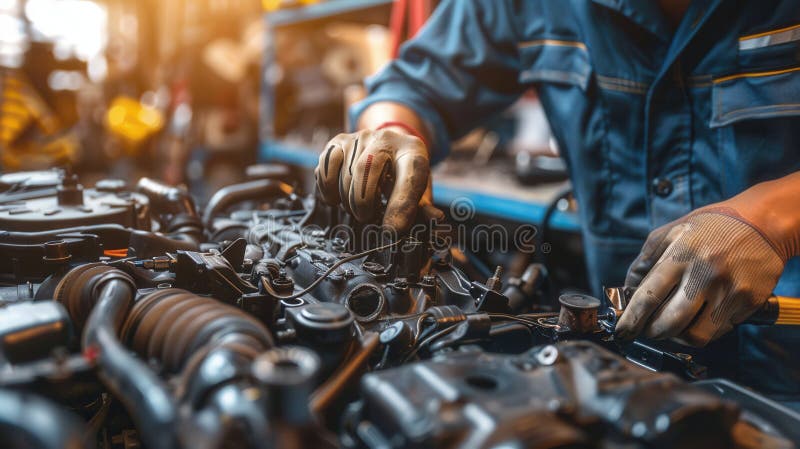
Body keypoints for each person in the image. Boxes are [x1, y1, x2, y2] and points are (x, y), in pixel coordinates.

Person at [313, 0, 800, 403]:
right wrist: (390, 132)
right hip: (622, 352)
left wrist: (777, 216)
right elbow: (416, 85)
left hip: (784, 356)